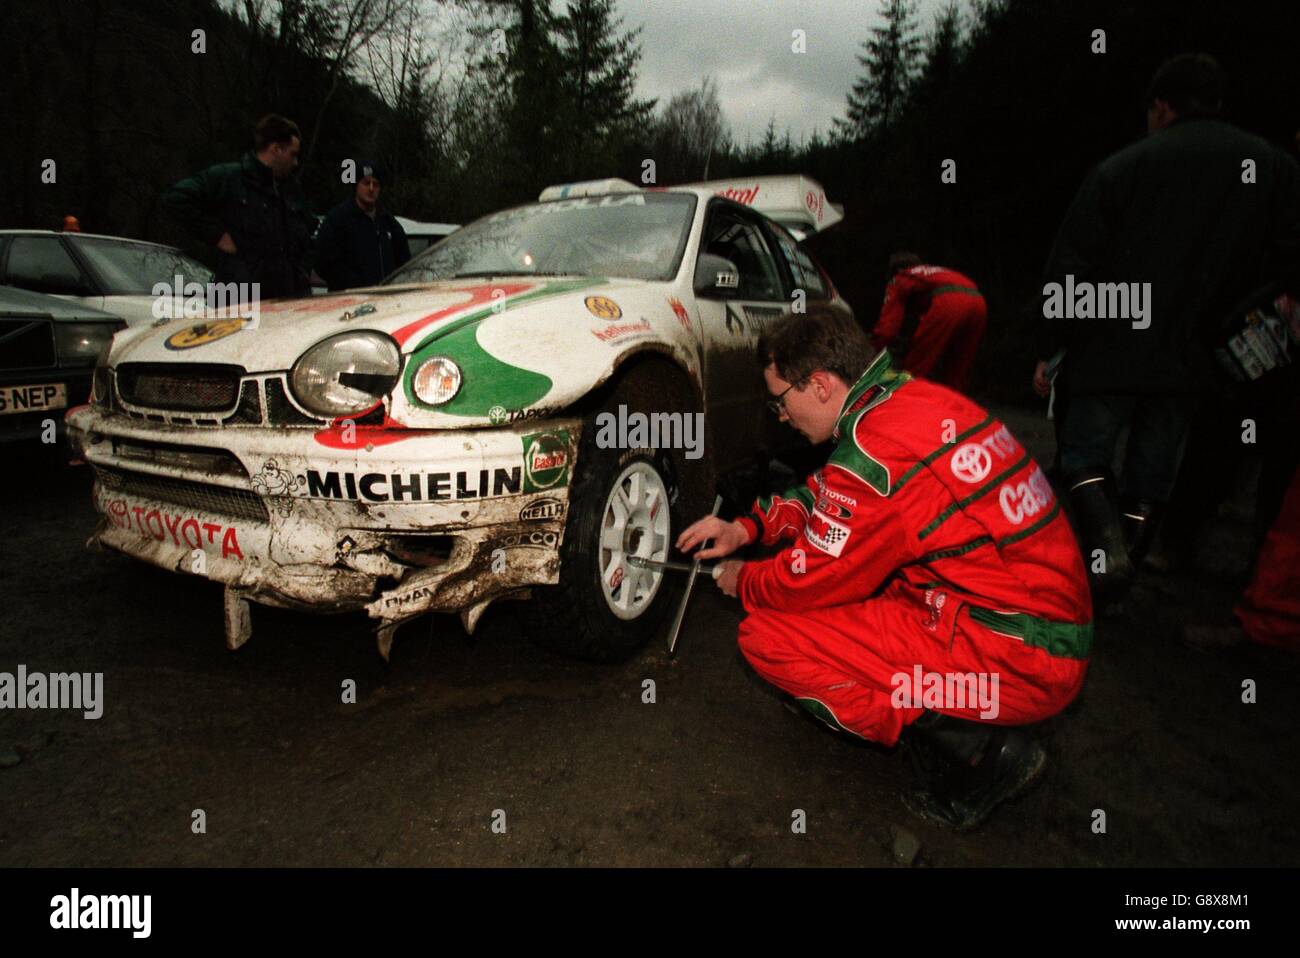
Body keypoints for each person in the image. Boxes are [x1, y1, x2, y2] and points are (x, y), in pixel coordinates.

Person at [677, 307, 1093, 830]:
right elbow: (835, 493)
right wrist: (749, 528)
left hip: (1021, 655)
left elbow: (804, 582)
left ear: (822, 385)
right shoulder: (905, 400)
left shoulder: (876, 453)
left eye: (780, 402)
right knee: (865, 585)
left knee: (767, 636)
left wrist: (745, 580)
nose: (780, 417)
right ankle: (962, 717)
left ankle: (978, 746)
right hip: (1029, 617)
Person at [1033, 54, 1300, 597]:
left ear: (1161, 106)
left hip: (1111, 342)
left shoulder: (1126, 166)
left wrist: (1053, 344)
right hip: (1196, 356)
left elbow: (1072, 264)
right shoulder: (1271, 167)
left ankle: (1104, 557)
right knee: (1151, 472)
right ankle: (1121, 566)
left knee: (1086, 456)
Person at [161, 114, 315, 301]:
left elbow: (306, 235)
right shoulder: (230, 178)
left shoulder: (289, 190)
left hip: (285, 295)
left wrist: (302, 275)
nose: (295, 162)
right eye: (293, 154)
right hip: (238, 295)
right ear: (276, 149)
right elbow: (176, 198)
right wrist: (217, 235)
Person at [871, 251, 987, 392]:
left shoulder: (902, 277)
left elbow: (887, 328)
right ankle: (952, 406)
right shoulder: (933, 272)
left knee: (918, 361)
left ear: (896, 270)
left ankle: (908, 397)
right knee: (958, 367)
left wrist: (873, 352)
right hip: (979, 303)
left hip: (950, 302)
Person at [314, 160, 411, 291]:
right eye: (366, 183)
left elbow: (405, 263)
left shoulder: (388, 222)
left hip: (385, 300)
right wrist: (353, 285)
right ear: (356, 186)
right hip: (347, 300)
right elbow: (323, 262)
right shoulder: (337, 220)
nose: (371, 188)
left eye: (375, 184)